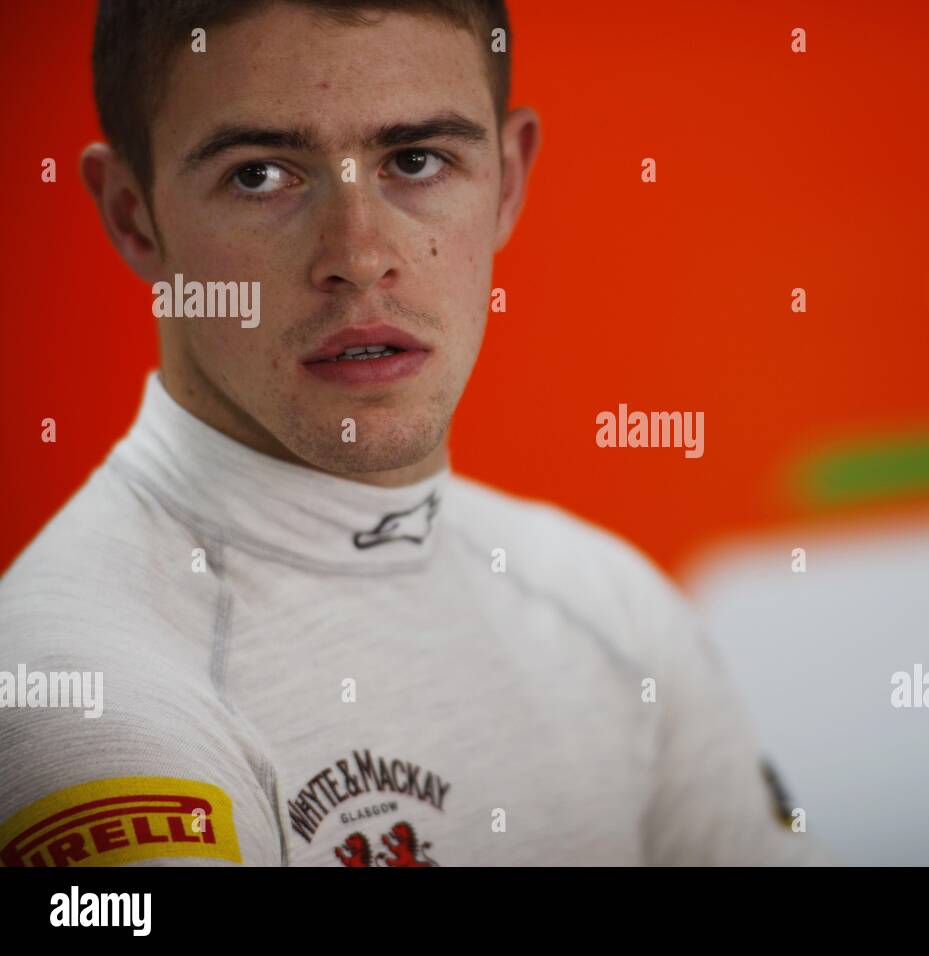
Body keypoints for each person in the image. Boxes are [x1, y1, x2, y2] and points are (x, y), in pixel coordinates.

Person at [0, 0, 834, 866]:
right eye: (259, 174)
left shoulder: (613, 612)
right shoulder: (83, 694)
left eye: (417, 160)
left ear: (507, 181)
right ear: (135, 217)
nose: (358, 255)